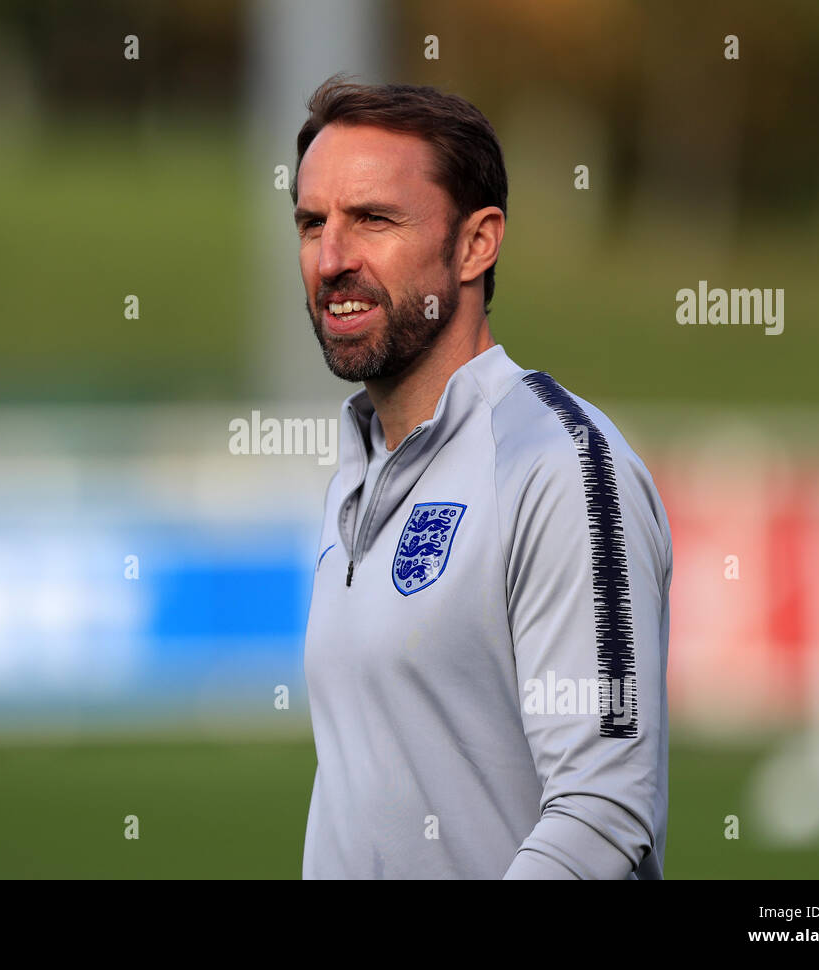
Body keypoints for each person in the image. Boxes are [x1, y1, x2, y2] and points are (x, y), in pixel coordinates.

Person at [294, 75, 672, 879]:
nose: (332, 259)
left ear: (476, 243)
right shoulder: (356, 477)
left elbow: (603, 815)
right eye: (311, 223)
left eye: (373, 220)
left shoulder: (556, 464)